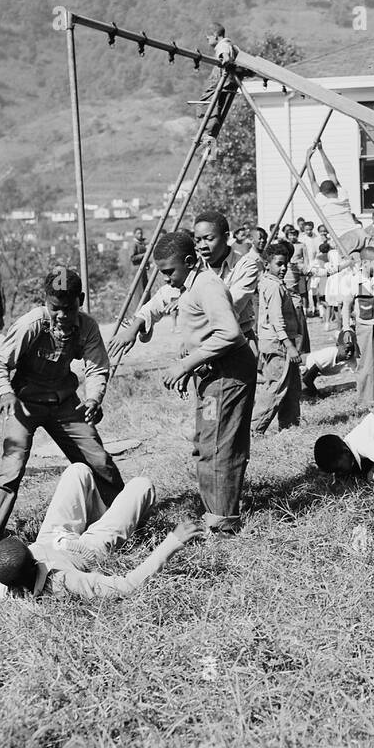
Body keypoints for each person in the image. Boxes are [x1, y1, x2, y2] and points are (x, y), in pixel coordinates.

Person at [0, 268, 123, 562]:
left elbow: (96, 367)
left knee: (99, 461)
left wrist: (94, 398)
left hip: (65, 404)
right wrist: (5, 393)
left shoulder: (87, 327)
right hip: (24, 403)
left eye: (69, 308)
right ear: (46, 301)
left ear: (80, 300)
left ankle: (116, 522)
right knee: (10, 470)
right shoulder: (32, 323)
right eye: (56, 308)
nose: (62, 316)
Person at [123, 232, 257, 536]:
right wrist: (190, 366)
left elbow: (230, 334)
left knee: (219, 445)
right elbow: (197, 331)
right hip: (212, 373)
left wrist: (185, 364)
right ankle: (216, 512)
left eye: (170, 271)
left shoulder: (207, 285)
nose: (167, 279)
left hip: (229, 373)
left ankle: (223, 524)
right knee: (206, 443)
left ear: (189, 261)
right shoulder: (187, 286)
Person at [0, 462, 203, 601]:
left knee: (78, 470)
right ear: (34, 563)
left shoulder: (3, 589)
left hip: (51, 536)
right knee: (142, 485)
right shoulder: (63, 582)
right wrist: (172, 542)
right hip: (88, 549)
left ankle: (104, 516)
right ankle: (113, 523)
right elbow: (126, 586)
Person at [194, 210, 264, 354]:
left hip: (238, 341)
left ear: (226, 237)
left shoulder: (246, 265)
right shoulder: (194, 268)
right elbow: (166, 295)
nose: (202, 246)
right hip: (203, 342)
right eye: (198, 240)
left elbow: (228, 307)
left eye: (208, 238)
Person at [251, 241, 302, 434]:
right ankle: (255, 428)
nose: (283, 268)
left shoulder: (276, 284)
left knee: (292, 387)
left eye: (285, 264)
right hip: (277, 343)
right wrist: (289, 345)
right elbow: (276, 320)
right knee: (276, 387)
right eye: (279, 264)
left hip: (280, 341)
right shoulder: (272, 287)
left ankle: (290, 427)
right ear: (267, 264)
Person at [341, 245, 374, 408]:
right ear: (365, 263)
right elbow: (346, 306)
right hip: (365, 327)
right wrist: (346, 327)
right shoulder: (353, 280)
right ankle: (367, 401)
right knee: (367, 365)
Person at [306, 144, 366, 255]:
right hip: (359, 232)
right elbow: (331, 173)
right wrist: (321, 150)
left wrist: (307, 158)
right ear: (335, 189)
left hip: (344, 237)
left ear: (323, 193)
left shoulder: (322, 202)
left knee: (352, 267)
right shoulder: (343, 196)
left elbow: (312, 180)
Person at [301, 329, 359, 398]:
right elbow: (307, 380)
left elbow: (358, 375)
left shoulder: (350, 358)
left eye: (352, 350)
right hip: (304, 364)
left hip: (317, 370)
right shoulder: (328, 355)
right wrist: (319, 395)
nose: (349, 354)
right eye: (346, 350)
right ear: (337, 345)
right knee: (303, 392)